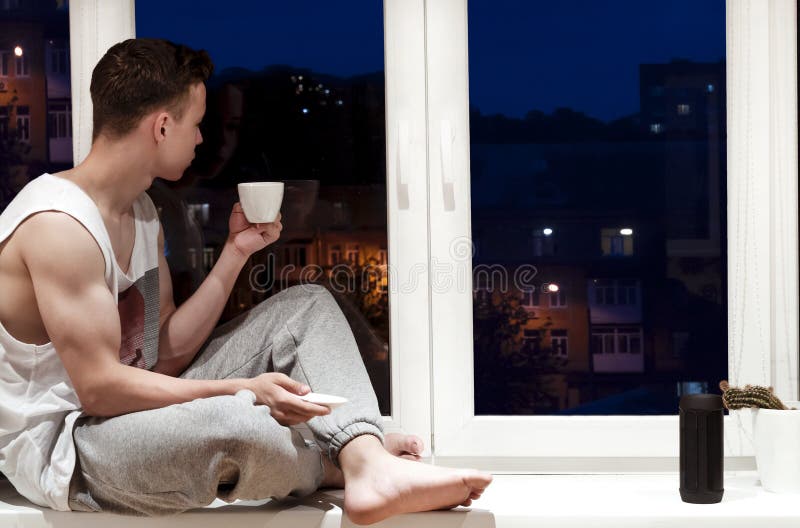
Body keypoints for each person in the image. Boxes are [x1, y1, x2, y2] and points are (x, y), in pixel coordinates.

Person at [0, 38, 491, 525]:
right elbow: (100, 390)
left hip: (133, 410)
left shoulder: (142, 212)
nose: (199, 139)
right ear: (162, 126)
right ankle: (336, 460)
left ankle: (365, 462)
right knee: (232, 421)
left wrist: (236, 253)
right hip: (73, 450)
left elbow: (164, 354)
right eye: (196, 125)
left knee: (308, 305)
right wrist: (246, 390)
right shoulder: (59, 225)